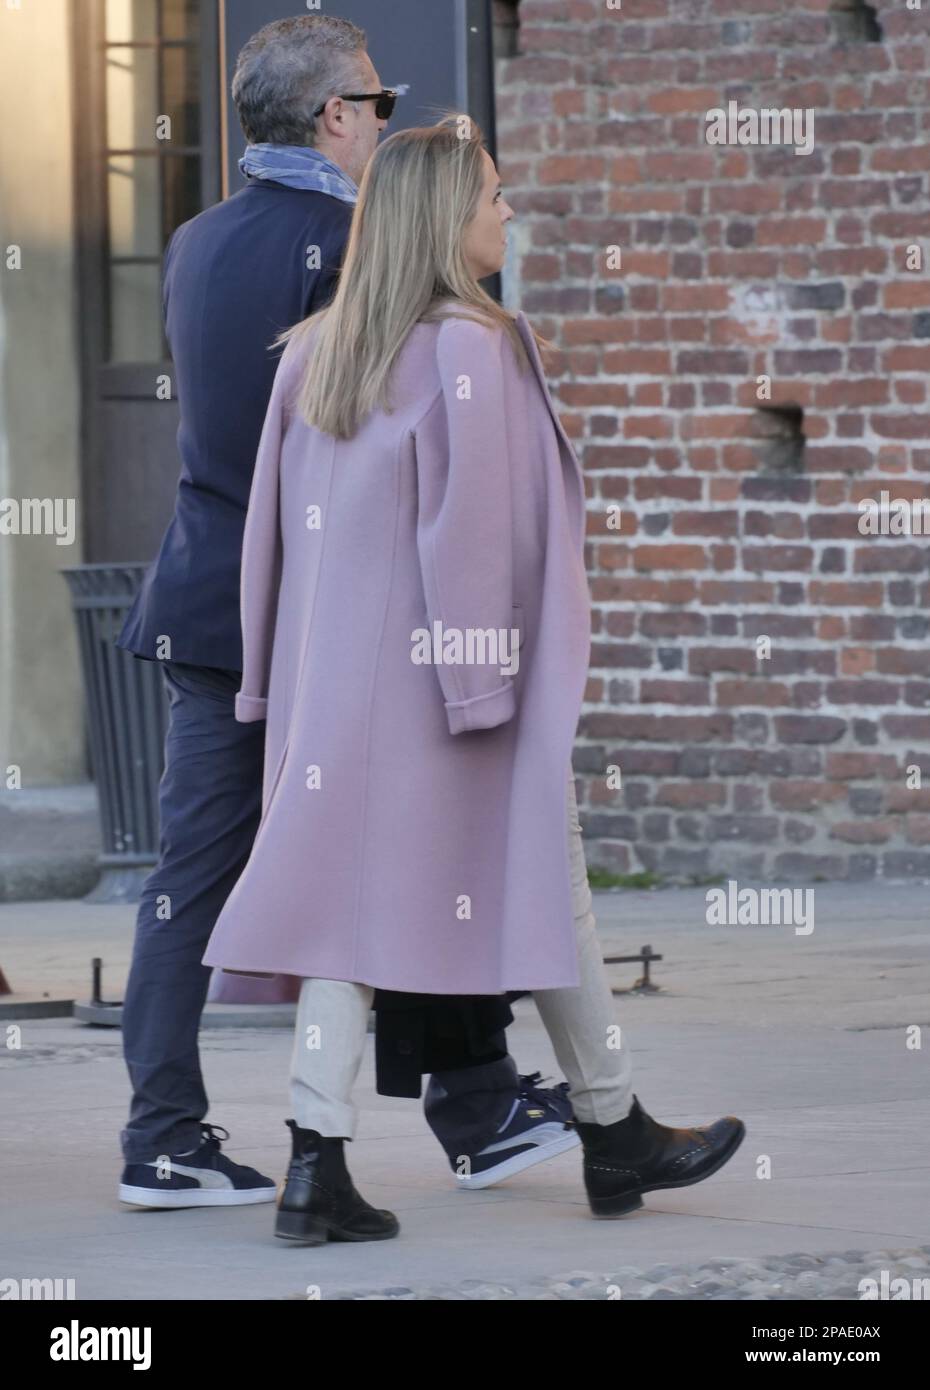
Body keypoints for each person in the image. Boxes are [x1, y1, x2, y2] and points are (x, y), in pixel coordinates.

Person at [201, 113, 746, 1246]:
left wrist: (267, 684)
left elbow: (267, 539)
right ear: (448, 217)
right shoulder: (471, 347)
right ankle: (614, 1128)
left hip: (329, 696)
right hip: (451, 692)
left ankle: (320, 1162)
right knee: (550, 880)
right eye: (494, 195)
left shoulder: (313, 350)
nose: (511, 211)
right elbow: (473, 541)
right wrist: (488, 697)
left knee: (341, 926)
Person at [115, 14, 578, 1211]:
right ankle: (472, 1107)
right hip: (323, 619)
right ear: (336, 118)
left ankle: (163, 1131)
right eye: (377, 106)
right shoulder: (357, 250)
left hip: (210, 605)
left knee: (192, 875)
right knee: (419, 843)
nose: (385, 122)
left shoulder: (196, 240)